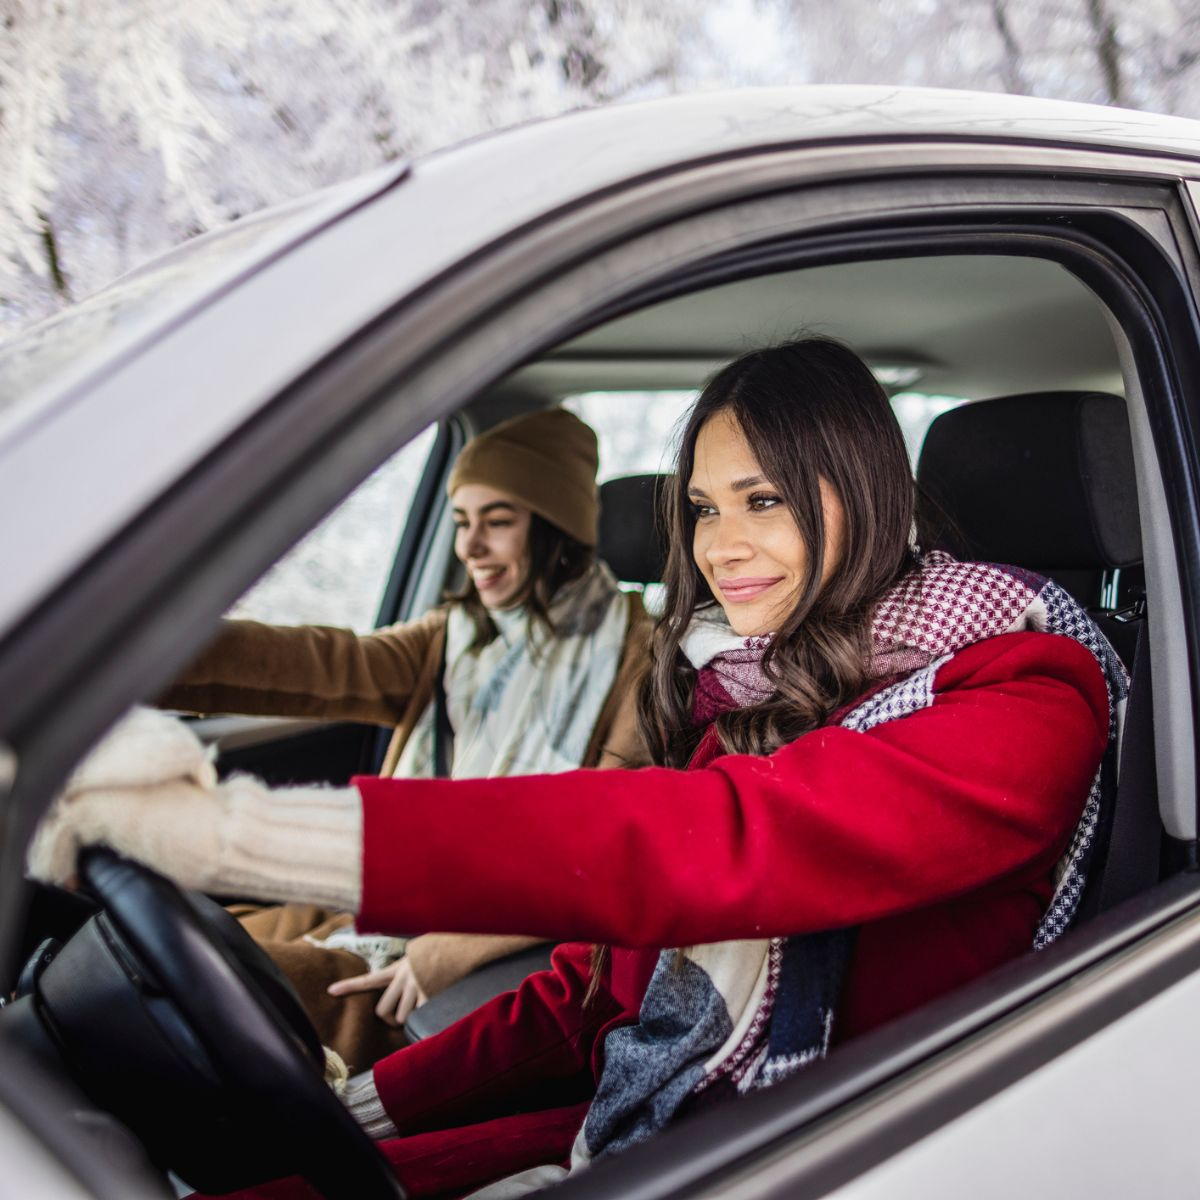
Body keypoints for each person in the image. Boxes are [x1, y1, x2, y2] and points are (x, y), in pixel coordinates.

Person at [30, 338, 1125, 1199]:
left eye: (765, 500)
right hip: (649, 1112)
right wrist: (365, 1111)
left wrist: (238, 836)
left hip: (805, 1149)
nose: (718, 545)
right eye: (702, 506)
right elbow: (592, 994)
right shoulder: (749, 692)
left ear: (866, 490)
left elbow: (715, 842)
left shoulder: (1025, 701)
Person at [156, 406, 652, 1070]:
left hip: (480, 942)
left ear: (557, 528)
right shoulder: (457, 638)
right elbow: (314, 664)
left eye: (498, 522)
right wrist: (140, 655)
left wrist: (445, 949)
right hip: (382, 900)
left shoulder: (638, 659)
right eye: (460, 523)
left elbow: (609, 841)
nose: (469, 548)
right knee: (159, 937)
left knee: (187, 987)